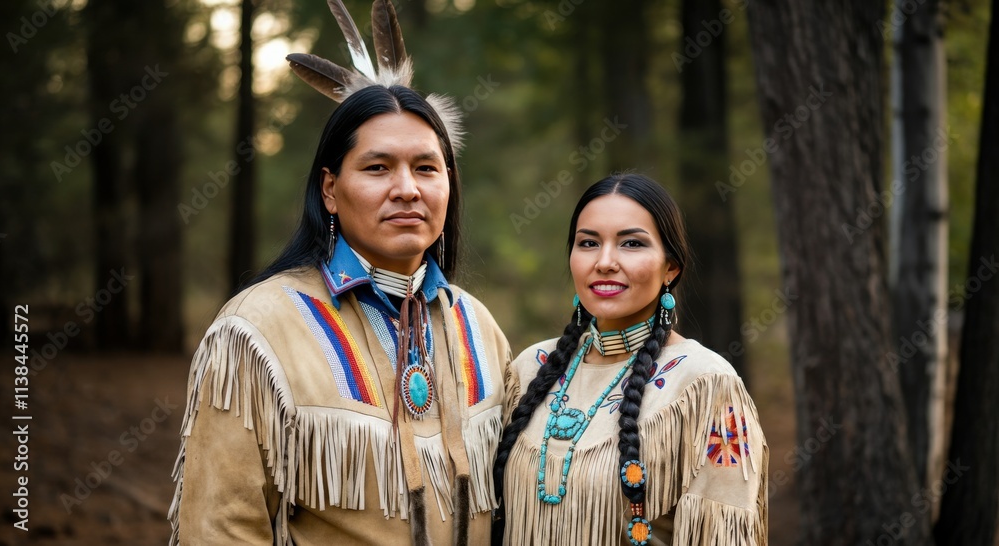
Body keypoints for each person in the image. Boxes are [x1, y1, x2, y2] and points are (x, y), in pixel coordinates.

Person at [168, 2, 509, 544]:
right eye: (377, 167)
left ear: (449, 185)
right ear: (330, 189)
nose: (407, 188)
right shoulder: (257, 331)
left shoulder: (478, 328)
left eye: (426, 167)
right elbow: (221, 527)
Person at [492, 174, 768, 545]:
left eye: (632, 244)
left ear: (670, 267)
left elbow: (724, 532)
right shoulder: (529, 369)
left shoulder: (706, 384)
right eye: (588, 242)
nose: (605, 262)